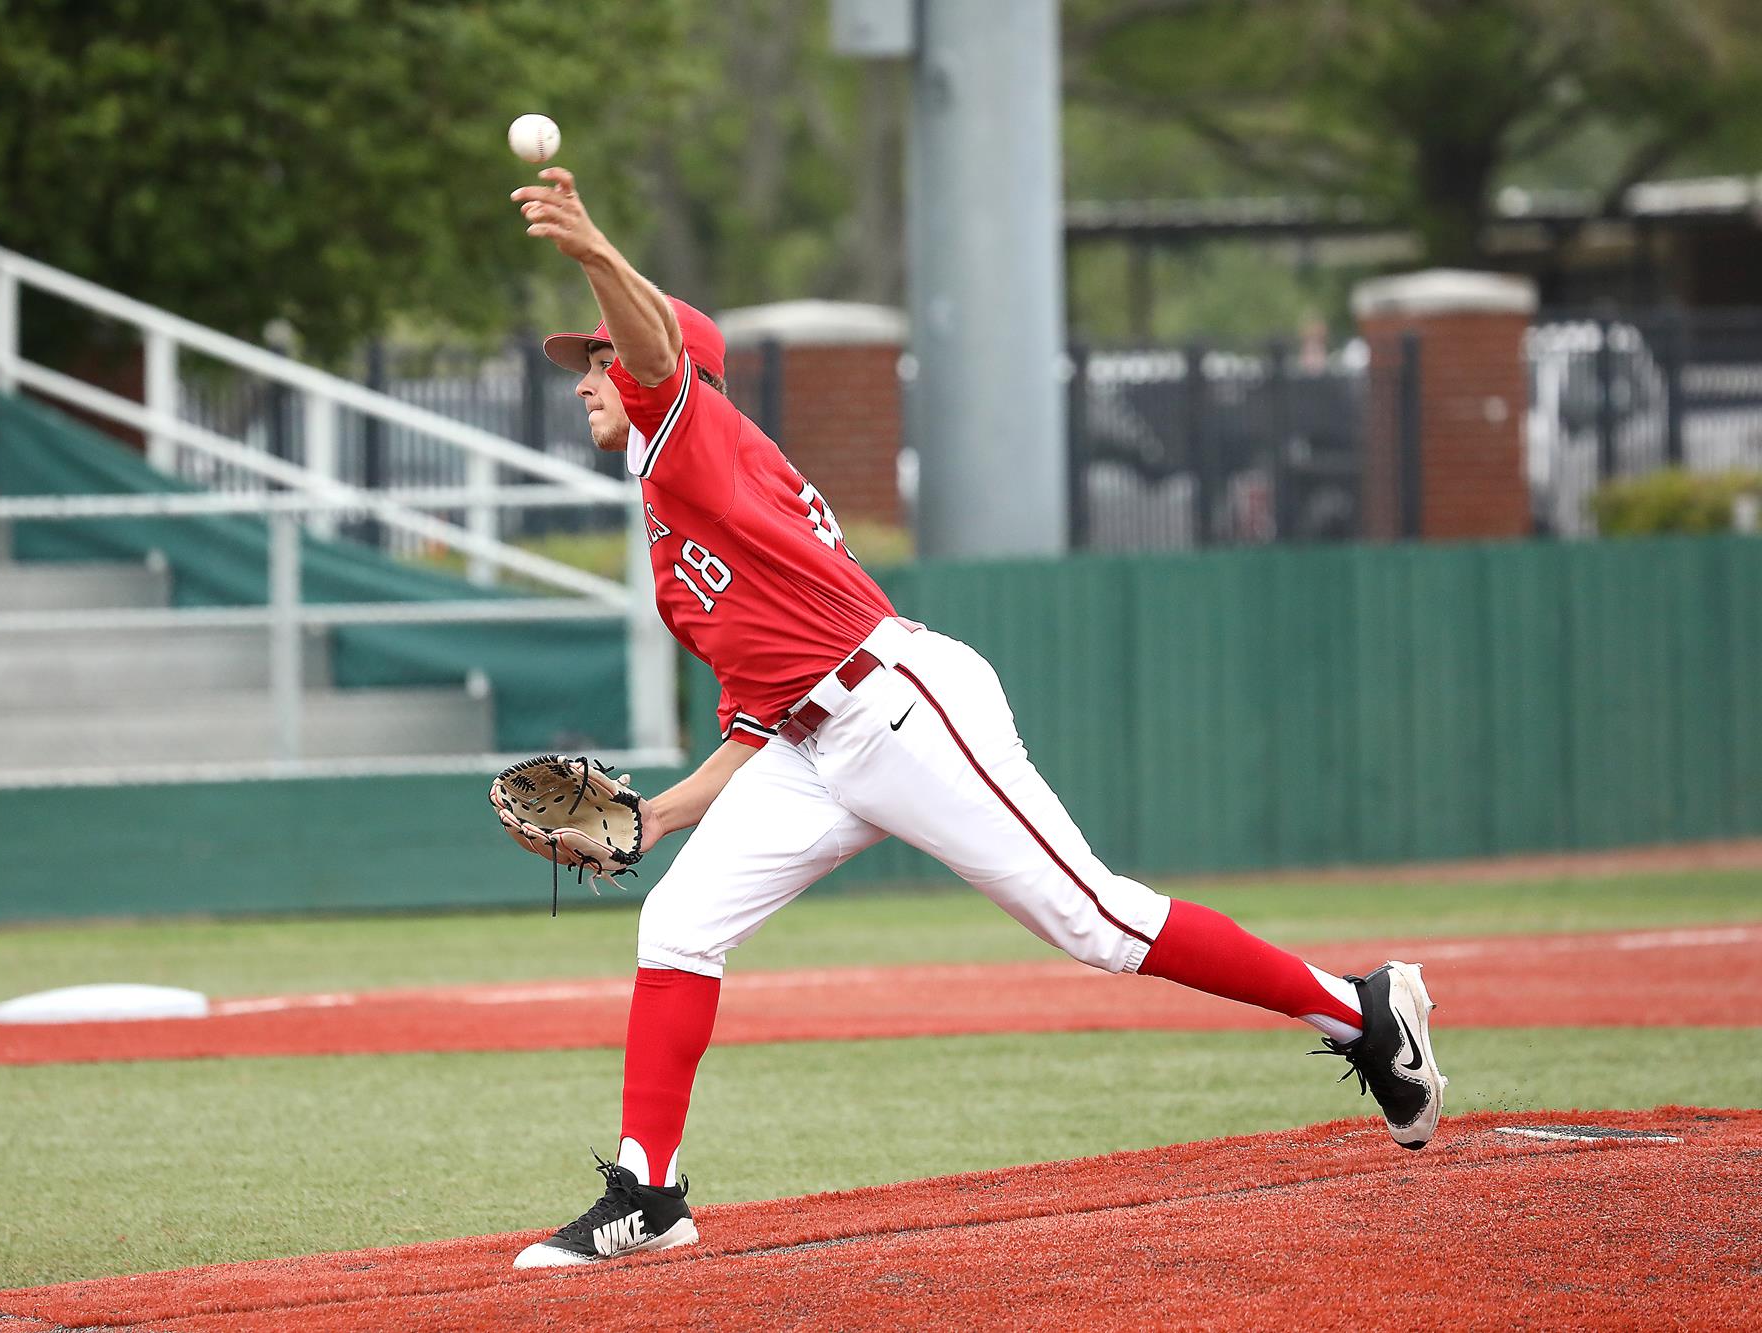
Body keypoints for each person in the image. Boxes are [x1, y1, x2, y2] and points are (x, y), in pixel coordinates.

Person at [503, 167, 1446, 1269]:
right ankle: (648, 1194)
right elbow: (760, 720)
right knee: (677, 927)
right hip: (813, 743)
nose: (587, 378)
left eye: (600, 360)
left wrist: (591, 250)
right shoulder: (677, 537)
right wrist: (658, 816)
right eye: (584, 366)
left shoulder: (695, 433)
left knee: (1094, 921)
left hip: (900, 708)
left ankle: (1359, 1010)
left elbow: (660, 352)